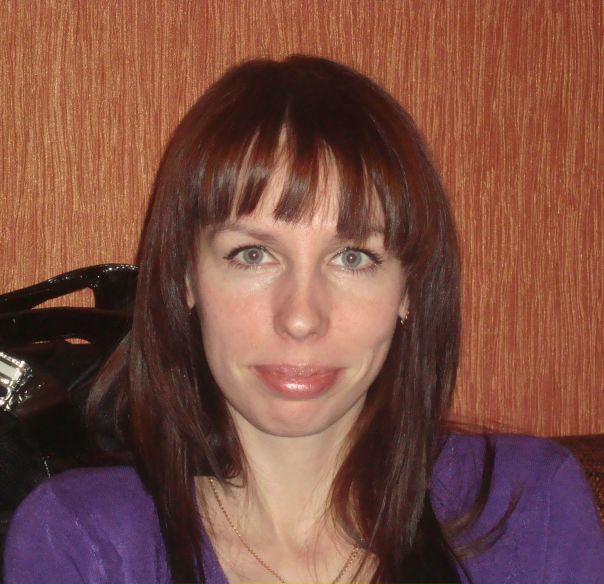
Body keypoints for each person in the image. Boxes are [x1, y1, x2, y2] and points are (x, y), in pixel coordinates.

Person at [4, 55, 603, 584]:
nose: (300, 318)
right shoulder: (82, 542)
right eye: (252, 255)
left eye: (352, 257)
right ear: (186, 278)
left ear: (410, 290)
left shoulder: (530, 507)